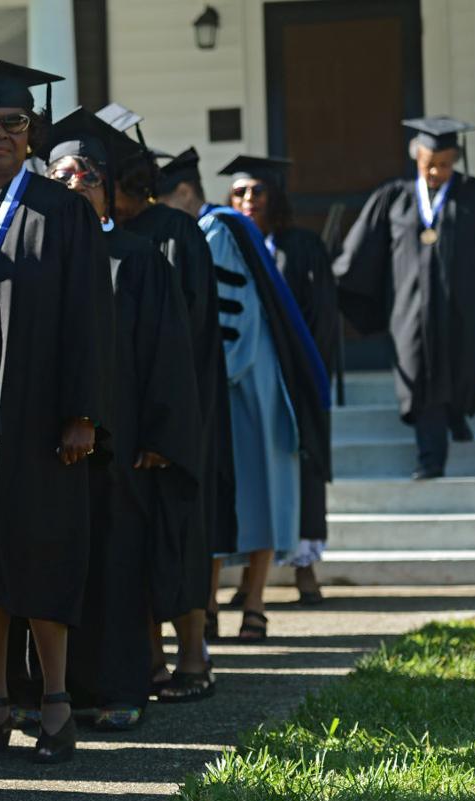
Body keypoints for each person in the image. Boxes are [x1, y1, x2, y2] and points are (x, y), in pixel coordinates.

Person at [0, 58, 114, 765]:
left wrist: (83, 411)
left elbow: (90, 318)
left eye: (14, 122)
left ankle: (57, 703)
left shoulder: (63, 212)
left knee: (42, 552)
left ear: (31, 133)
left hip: (39, 416)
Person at [46, 108, 201, 730]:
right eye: (60, 176)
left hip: (121, 442)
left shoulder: (137, 258)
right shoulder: (36, 255)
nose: (73, 185)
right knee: (53, 563)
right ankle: (58, 691)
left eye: (85, 175)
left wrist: (161, 433)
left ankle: (119, 689)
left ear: (109, 188)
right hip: (45, 445)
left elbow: (168, 353)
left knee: (115, 562)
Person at [159, 151, 328, 643]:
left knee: (238, 496)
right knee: (257, 496)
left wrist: (203, 380)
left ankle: (227, 604)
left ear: (184, 193)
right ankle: (239, 606)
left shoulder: (215, 231)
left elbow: (227, 316)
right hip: (254, 379)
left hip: (241, 384)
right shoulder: (228, 228)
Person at [335, 116, 475, 480]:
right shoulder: (395, 197)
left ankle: (456, 414)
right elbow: (360, 250)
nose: (436, 172)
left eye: (445, 165)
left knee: (462, 368)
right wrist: (331, 281)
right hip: (410, 310)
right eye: (429, 164)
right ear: (416, 158)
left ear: (456, 160)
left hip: (463, 307)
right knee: (419, 375)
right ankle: (430, 458)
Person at [116, 138, 233, 700]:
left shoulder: (175, 232)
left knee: (179, 534)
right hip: (125, 420)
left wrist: (168, 421)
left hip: (178, 414)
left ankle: (193, 658)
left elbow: (188, 337)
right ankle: (150, 661)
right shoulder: (106, 236)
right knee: (134, 545)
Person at [224, 155, 337, 605]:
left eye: (258, 191)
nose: (248, 200)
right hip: (249, 376)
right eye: (239, 192)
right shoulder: (228, 246)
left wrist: (306, 369)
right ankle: (248, 581)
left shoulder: (301, 247)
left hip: (295, 376)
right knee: (253, 477)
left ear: (276, 198)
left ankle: (305, 567)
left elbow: (321, 319)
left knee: (302, 468)